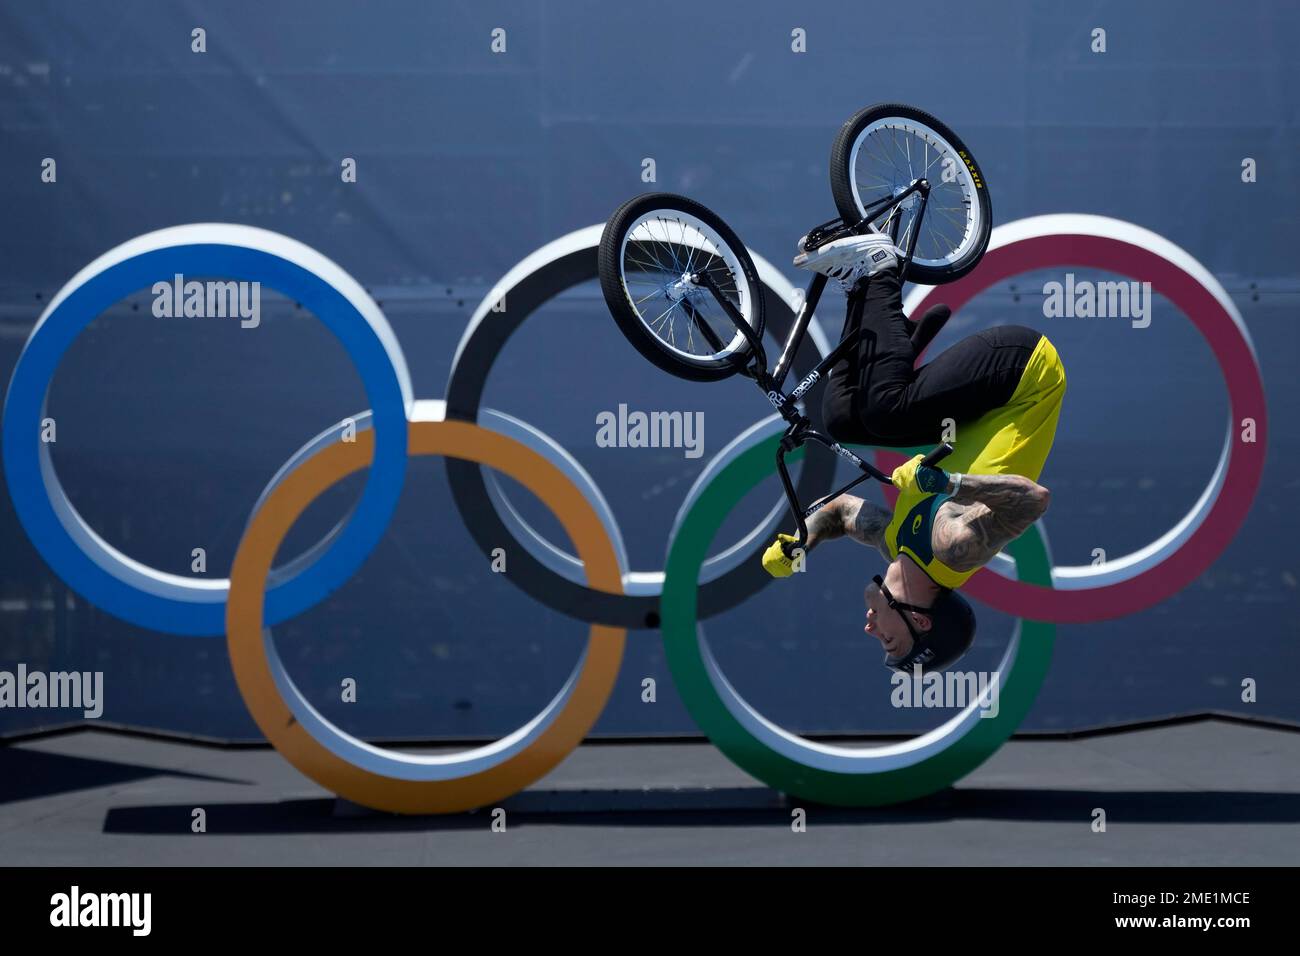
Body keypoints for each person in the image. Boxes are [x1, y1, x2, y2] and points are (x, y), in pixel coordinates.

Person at [762, 230, 1066, 674]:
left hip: (978, 408)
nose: (870, 630)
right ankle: (882, 268)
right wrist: (946, 483)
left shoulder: (896, 543)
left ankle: (859, 287)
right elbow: (1033, 499)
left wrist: (801, 539)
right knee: (886, 410)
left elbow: (842, 513)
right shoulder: (954, 548)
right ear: (919, 620)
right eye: (888, 637)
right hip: (1024, 376)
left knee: (843, 421)